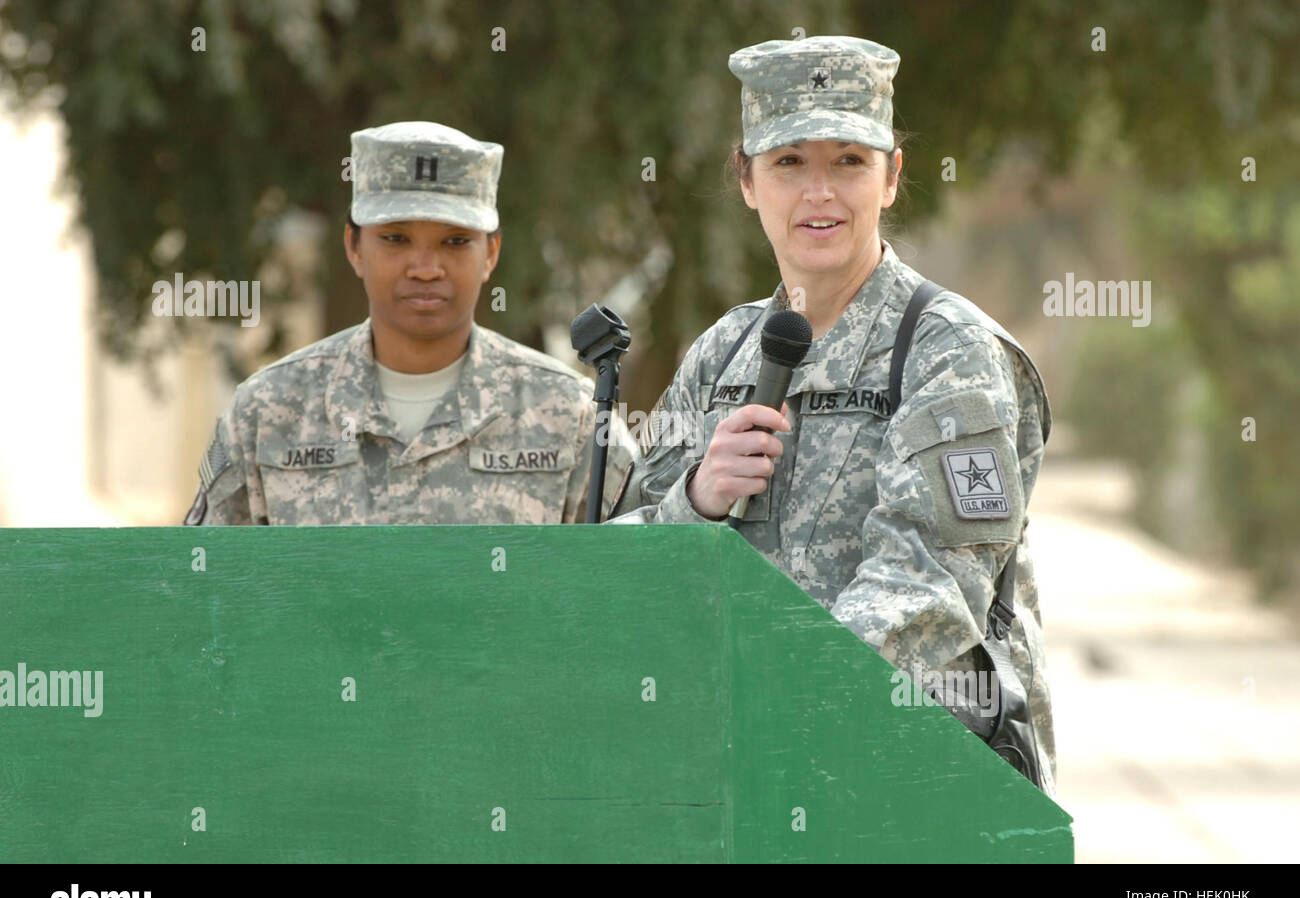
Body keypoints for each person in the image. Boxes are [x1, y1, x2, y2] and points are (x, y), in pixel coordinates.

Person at [610, 36, 1056, 794]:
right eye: (789, 162)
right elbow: (622, 574)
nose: (820, 192)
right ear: (747, 180)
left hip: (905, 785)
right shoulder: (722, 353)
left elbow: (925, 589)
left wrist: (775, 714)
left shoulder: (948, 351)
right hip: (732, 786)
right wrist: (696, 500)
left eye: (848, 160)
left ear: (891, 178)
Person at [185, 121, 634, 526]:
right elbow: (199, 587)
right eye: (396, 238)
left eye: (455, 241)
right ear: (354, 247)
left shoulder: (570, 416)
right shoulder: (266, 413)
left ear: (491, 253)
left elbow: (642, 582)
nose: (425, 268)